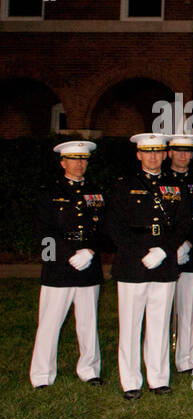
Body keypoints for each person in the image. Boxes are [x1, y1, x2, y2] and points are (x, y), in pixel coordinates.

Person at [105, 133, 193, 398]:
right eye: (147, 152)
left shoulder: (175, 186)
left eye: (158, 152)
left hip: (164, 263)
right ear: (139, 155)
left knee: (159, 322)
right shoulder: (124, 186)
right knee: (131, 325)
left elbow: (184, 223)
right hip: (133, 264)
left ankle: (158, 378)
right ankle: (130, 381)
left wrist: (164, 250)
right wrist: (143, 251)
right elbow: (114, 226)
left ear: (165, 154)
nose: (153, 157)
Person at [30, 141, 106, 389]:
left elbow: (104, 228)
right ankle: (42, 374)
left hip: (89, 264)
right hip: (60, 268)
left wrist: (89, 251)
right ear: (63, 162)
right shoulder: (49, 192)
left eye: (83, 159)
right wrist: (67, 255)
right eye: (74, 159)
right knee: (50, 323)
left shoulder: (96, 191)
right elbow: (44, 233)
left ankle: (89, 369)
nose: (79, 163)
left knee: (88, 322)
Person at [166, 134, 193, 375]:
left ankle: (186, 360)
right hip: (163, 255)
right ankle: (158, 361)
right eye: (178, 151)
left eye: (187, 151)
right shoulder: (160, 180)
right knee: (160, 312)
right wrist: (172, 247)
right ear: (169, 153)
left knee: (188, 310)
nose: (182, 155)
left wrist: (189, 244)